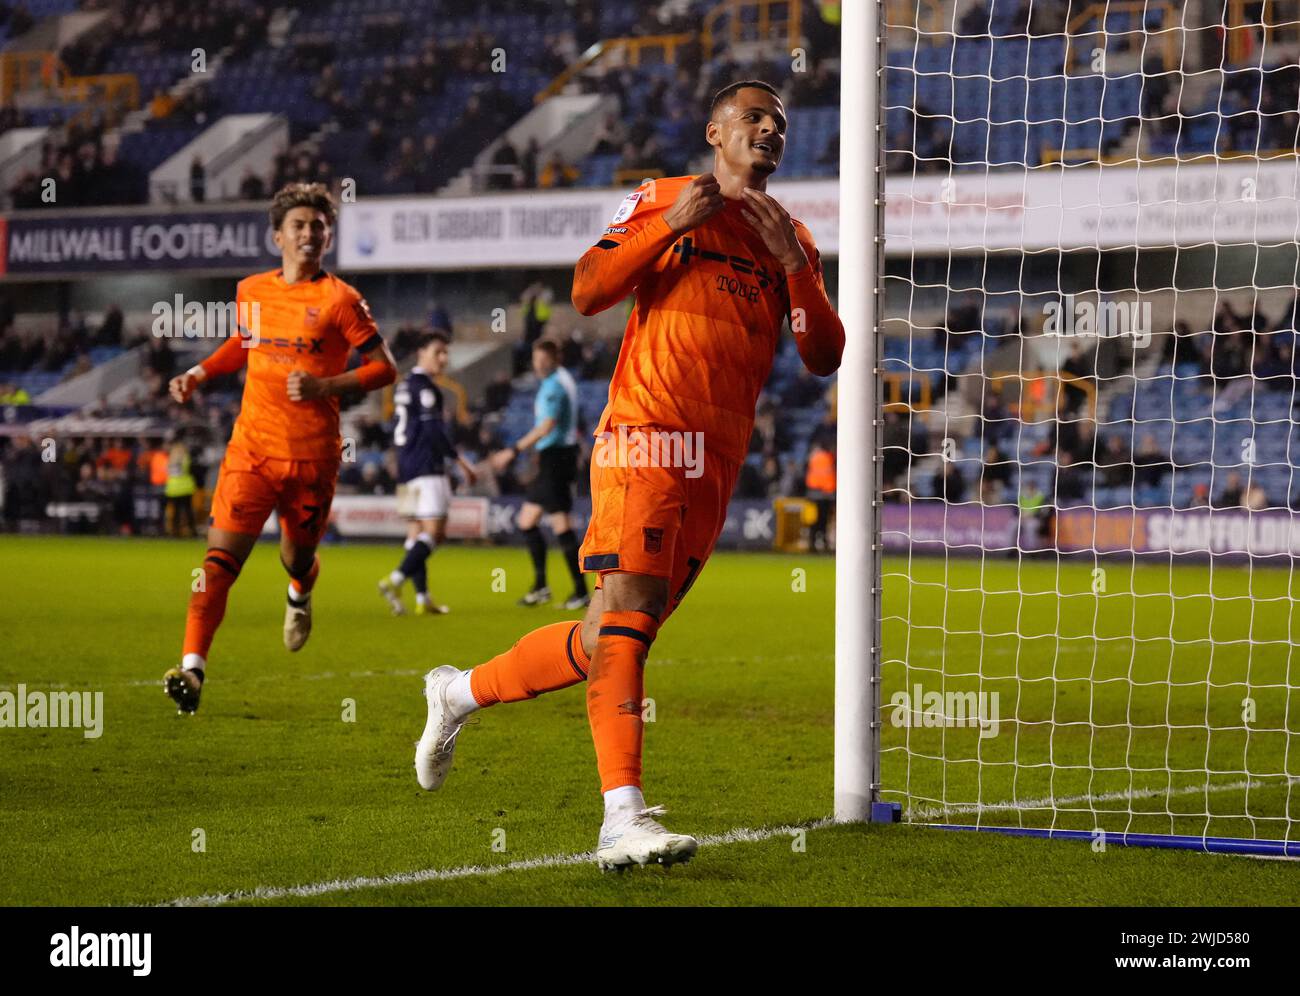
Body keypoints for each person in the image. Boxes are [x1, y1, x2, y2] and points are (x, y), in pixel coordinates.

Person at [412, 80, 844, 870]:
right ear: (714, 129)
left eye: (779, 123)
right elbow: (586, 290)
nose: (770, 130)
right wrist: (666, 231)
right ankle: (622, 819)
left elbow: (824, 357)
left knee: (607, 634)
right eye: (754, 117)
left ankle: (457, 691)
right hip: (644, 435)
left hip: (713, 461)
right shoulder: (663, 198)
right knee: (628, 620)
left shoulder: (794, 239)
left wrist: (793, 268)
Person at [162, 182, 398, 714]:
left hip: (313, 458)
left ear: (328, 236)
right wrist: (199, 372)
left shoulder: (341, 299)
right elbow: (244, 343)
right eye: (300, 226)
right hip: (251, 450)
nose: (310, 233)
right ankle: (193, 670)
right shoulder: (252, 291)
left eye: (319, 226)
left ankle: (300, 589)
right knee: (218, 564)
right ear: (278, 237)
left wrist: (324, 387)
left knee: (298, 555)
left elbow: (385, 368)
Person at [378, 331, 477, 616]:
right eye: (438, 352)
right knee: (436, 532)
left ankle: (422, 597)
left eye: (446, 353)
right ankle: (395, 580)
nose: (444, 359)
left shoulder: (405, 385)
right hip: (427, 467)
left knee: (415, 533)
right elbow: (434, 431)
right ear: (421, 351)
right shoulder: (427, 388)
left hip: (405, 467)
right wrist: (461, 462)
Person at [489, 339, 588, 611]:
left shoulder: (556, 385)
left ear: (556, 357)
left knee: (561, 524)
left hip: (557, 459)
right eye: (536, 360)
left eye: (543, 360)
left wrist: (513, 450)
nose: (538, 365)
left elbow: (547, 426)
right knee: (527, 521)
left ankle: (581, 591)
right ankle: (542, 587)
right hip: (552, 458)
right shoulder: (556, 380)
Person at [163, 438, 197, 538]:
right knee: (188, 511)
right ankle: (192, 531)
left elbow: (167, 472)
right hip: (185, 488)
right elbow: (190, 469)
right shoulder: (185, 458)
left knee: (175, 512)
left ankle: (175, 532)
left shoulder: (170, 459)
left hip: (173, 488)